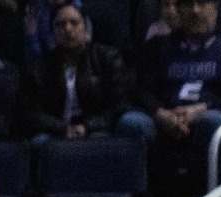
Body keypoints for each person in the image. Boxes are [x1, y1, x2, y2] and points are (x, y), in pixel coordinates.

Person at [133, 0, 221, 185]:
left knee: (214, 120)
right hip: (165, 119)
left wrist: (199, 111)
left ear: (215, 8)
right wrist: (162, 115)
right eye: (187, 4)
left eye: (202, 3)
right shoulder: (158, 45)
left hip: (212, 115)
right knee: (132, 123)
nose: (194, 11)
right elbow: (142, 91)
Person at [21, 4, 149, 141]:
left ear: (86, 28)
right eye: (60, 24)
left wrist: (87, 126)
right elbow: (31, 113)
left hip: (96, 129)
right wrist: (63, 128)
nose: (68, 29)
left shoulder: (107, 58)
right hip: (56, 131)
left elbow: (117, 106)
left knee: (103, 138)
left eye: (74, 23)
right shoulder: (40, 66)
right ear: (54, 32)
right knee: (40, 142)